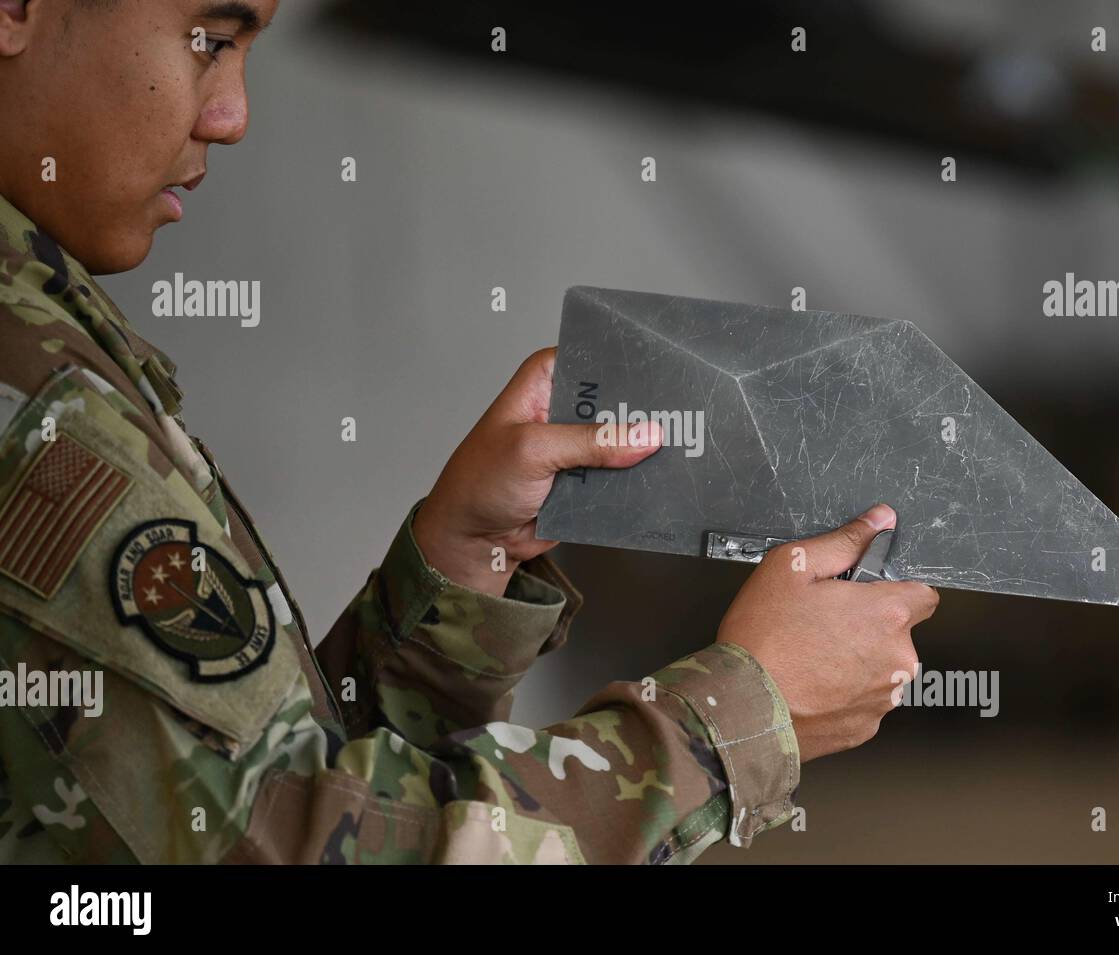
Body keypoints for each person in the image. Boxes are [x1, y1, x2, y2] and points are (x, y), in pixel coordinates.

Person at [0, 0, 939, 863]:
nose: (232, 114)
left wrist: (452, 584)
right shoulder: (27, 397)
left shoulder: (42, 319)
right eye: (210, 38)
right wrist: (738, 718)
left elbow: (260, 789)